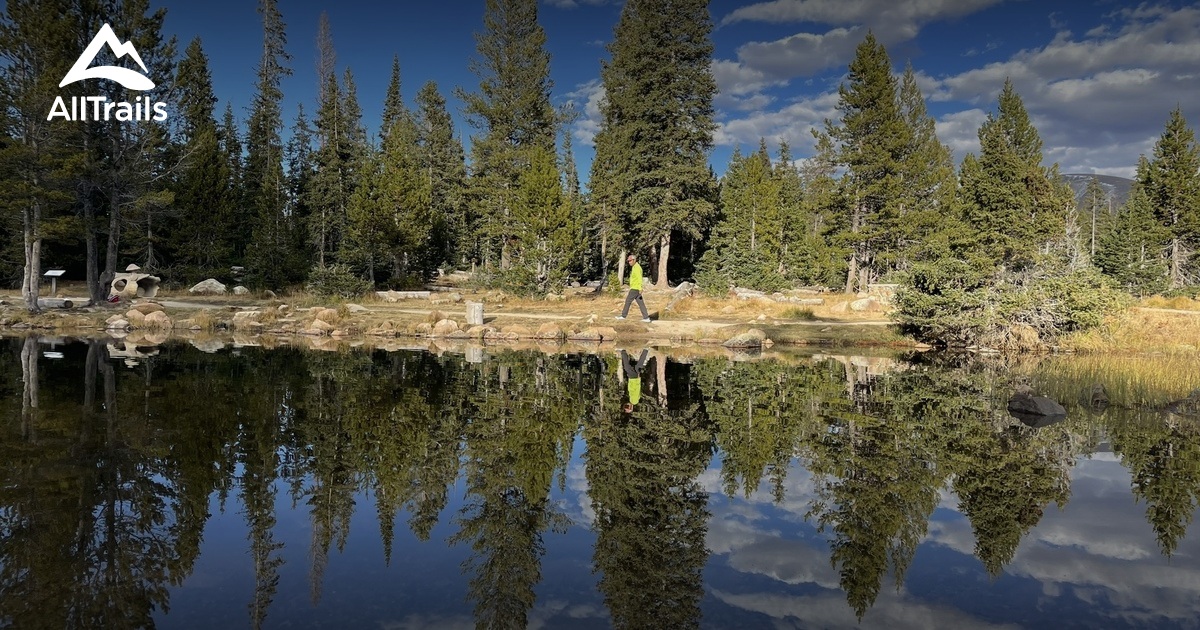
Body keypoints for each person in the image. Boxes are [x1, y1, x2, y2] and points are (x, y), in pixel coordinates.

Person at [616, 253, 650, 322]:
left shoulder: (637, 268)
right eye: (628, 261)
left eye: (630, 261)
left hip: (635, 288)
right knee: (641, 303)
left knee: (628, 301)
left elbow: (639, 278)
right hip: (635, 288)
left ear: (634, 260)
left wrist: (640, 288)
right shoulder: (634, 267)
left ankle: (623, 316)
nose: (629, 262)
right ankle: (646, 318)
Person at [620, 348, 649, 413]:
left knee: (638, 366)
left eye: (625, 406)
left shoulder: (631, 400)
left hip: (633, 379)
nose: (626, 405)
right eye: (627, 407)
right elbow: (637, 389)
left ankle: (646, 350)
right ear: (631, 407)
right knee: (627, 367)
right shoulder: (634, 401)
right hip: (634, 379)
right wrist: (638, 379)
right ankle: (623, 351)